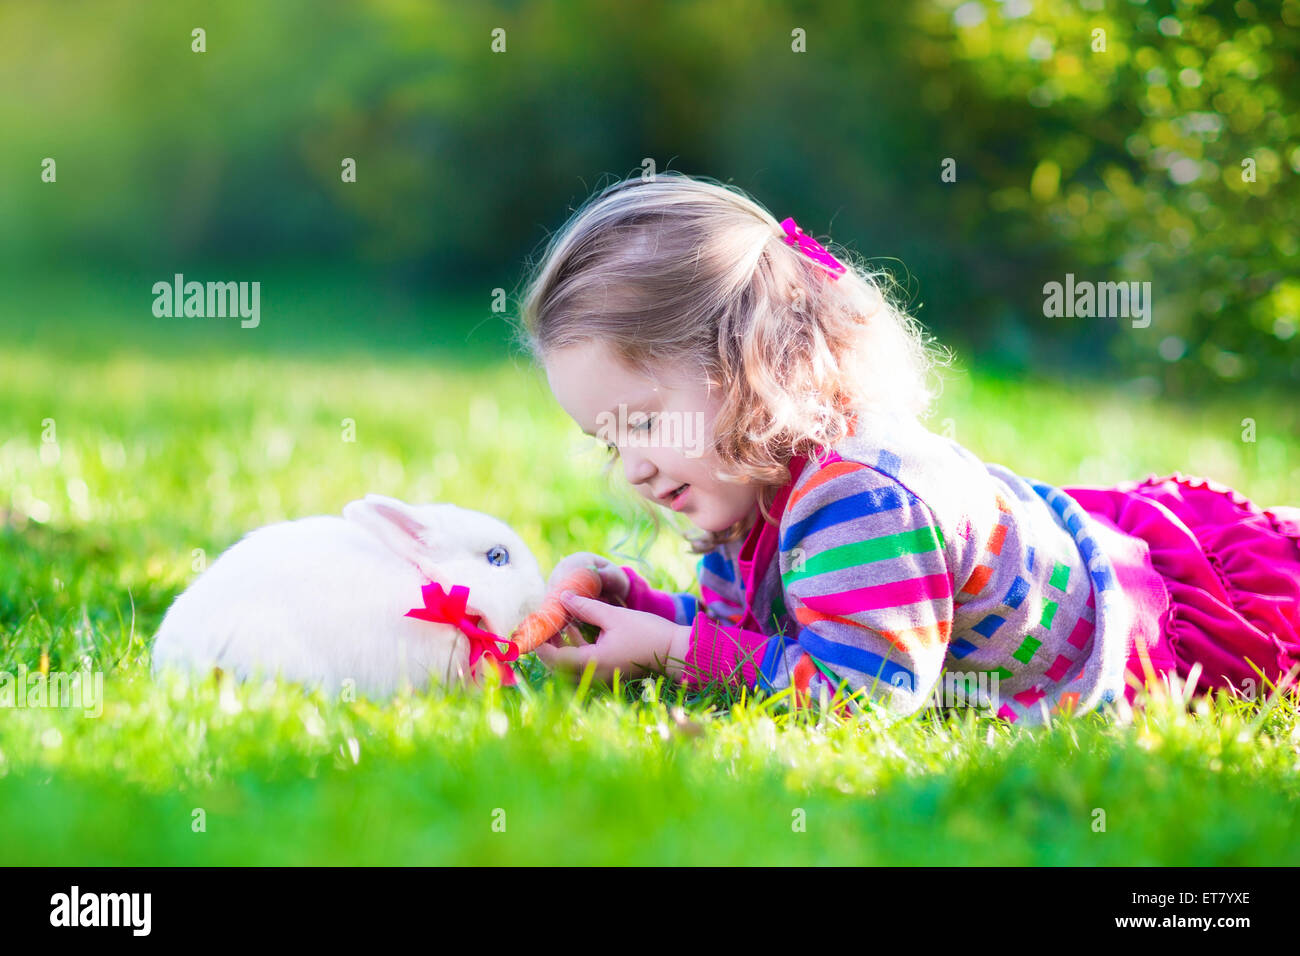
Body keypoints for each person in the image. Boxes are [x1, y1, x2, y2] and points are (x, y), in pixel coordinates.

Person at [514, 171, 1300, 725]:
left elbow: (861, 695)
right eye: (607, 440)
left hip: (1164, 630)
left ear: (753, 363)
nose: (637, 466)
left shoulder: (855, 496)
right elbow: (774, 642)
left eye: (644, 422)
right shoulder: (745, 485)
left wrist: (676, 654)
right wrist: (633, 611)